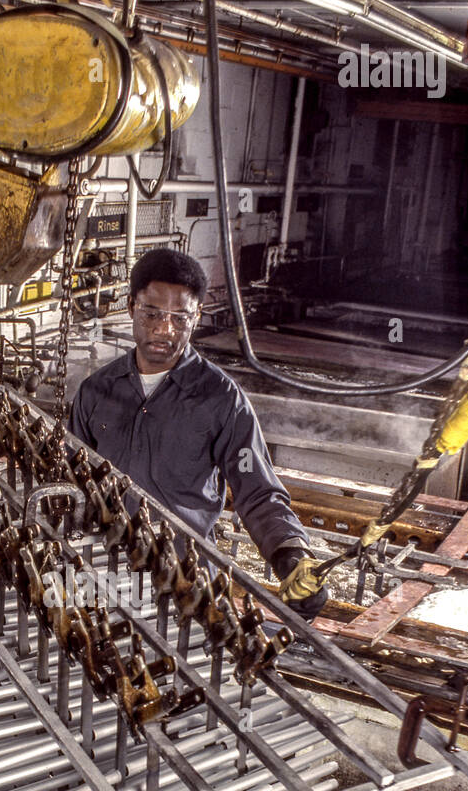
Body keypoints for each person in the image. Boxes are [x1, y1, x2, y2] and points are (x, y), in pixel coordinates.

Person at [70, 247, 328, 618]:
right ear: (131, 306)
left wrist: (290, 554)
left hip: (182, 585)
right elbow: (71, 479)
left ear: (198, 317)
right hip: (101, 575)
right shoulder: (96, 391)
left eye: (180, 317)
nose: (164, 328)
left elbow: (258, 492)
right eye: (152, 313)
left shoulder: (222, 400)